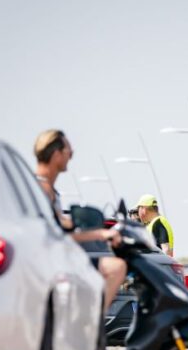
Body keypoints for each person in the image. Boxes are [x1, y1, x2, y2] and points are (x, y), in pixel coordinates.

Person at [33, 129, 127, 309]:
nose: (71, 156)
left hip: (51, 259)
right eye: (69, 151)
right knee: (116, 268)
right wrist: (100, 234)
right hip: (52, 263)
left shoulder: (41, 187)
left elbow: (58, 226)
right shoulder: (42, 190)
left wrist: (88, 227)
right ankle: (94, 320)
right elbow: (55, 236)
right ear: (56, 154)